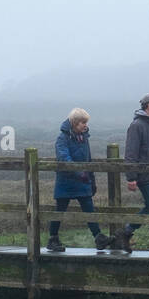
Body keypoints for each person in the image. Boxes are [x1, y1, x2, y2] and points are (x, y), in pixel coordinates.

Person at [112, 94, 149, 255]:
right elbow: (131, 153)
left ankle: (125, 232)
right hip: (144, 176)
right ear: (148, 106)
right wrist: (131, 177)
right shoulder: (136, 126)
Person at [48, 108, 110, 252]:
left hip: (83, 180)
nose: (85, 125)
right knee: (60, 210)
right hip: (66, 181)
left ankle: (98, 237)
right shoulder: (62, 138)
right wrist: (79, 172)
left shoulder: (84, 138)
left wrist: (91, 178)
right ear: (75, 123)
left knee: (89, 209)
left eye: (85, 122)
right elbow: (64, 158)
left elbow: (88, 159)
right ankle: (53, 239)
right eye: (83, 122)